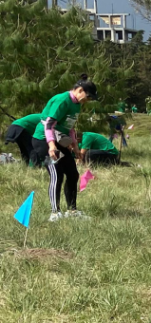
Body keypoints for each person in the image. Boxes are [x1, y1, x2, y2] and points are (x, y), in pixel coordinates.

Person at [30, 76, 98, 221]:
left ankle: (72, 211)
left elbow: (70, 128)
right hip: (44, 140)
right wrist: (52, 146)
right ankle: (55, 212)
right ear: (80, 90)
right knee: (57, 174)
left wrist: (75, 147)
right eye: (88, 96)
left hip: (60, 140)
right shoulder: (62, 100)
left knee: (73, 174)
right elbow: (48, 124)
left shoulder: (77, 105)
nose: (89, 100)